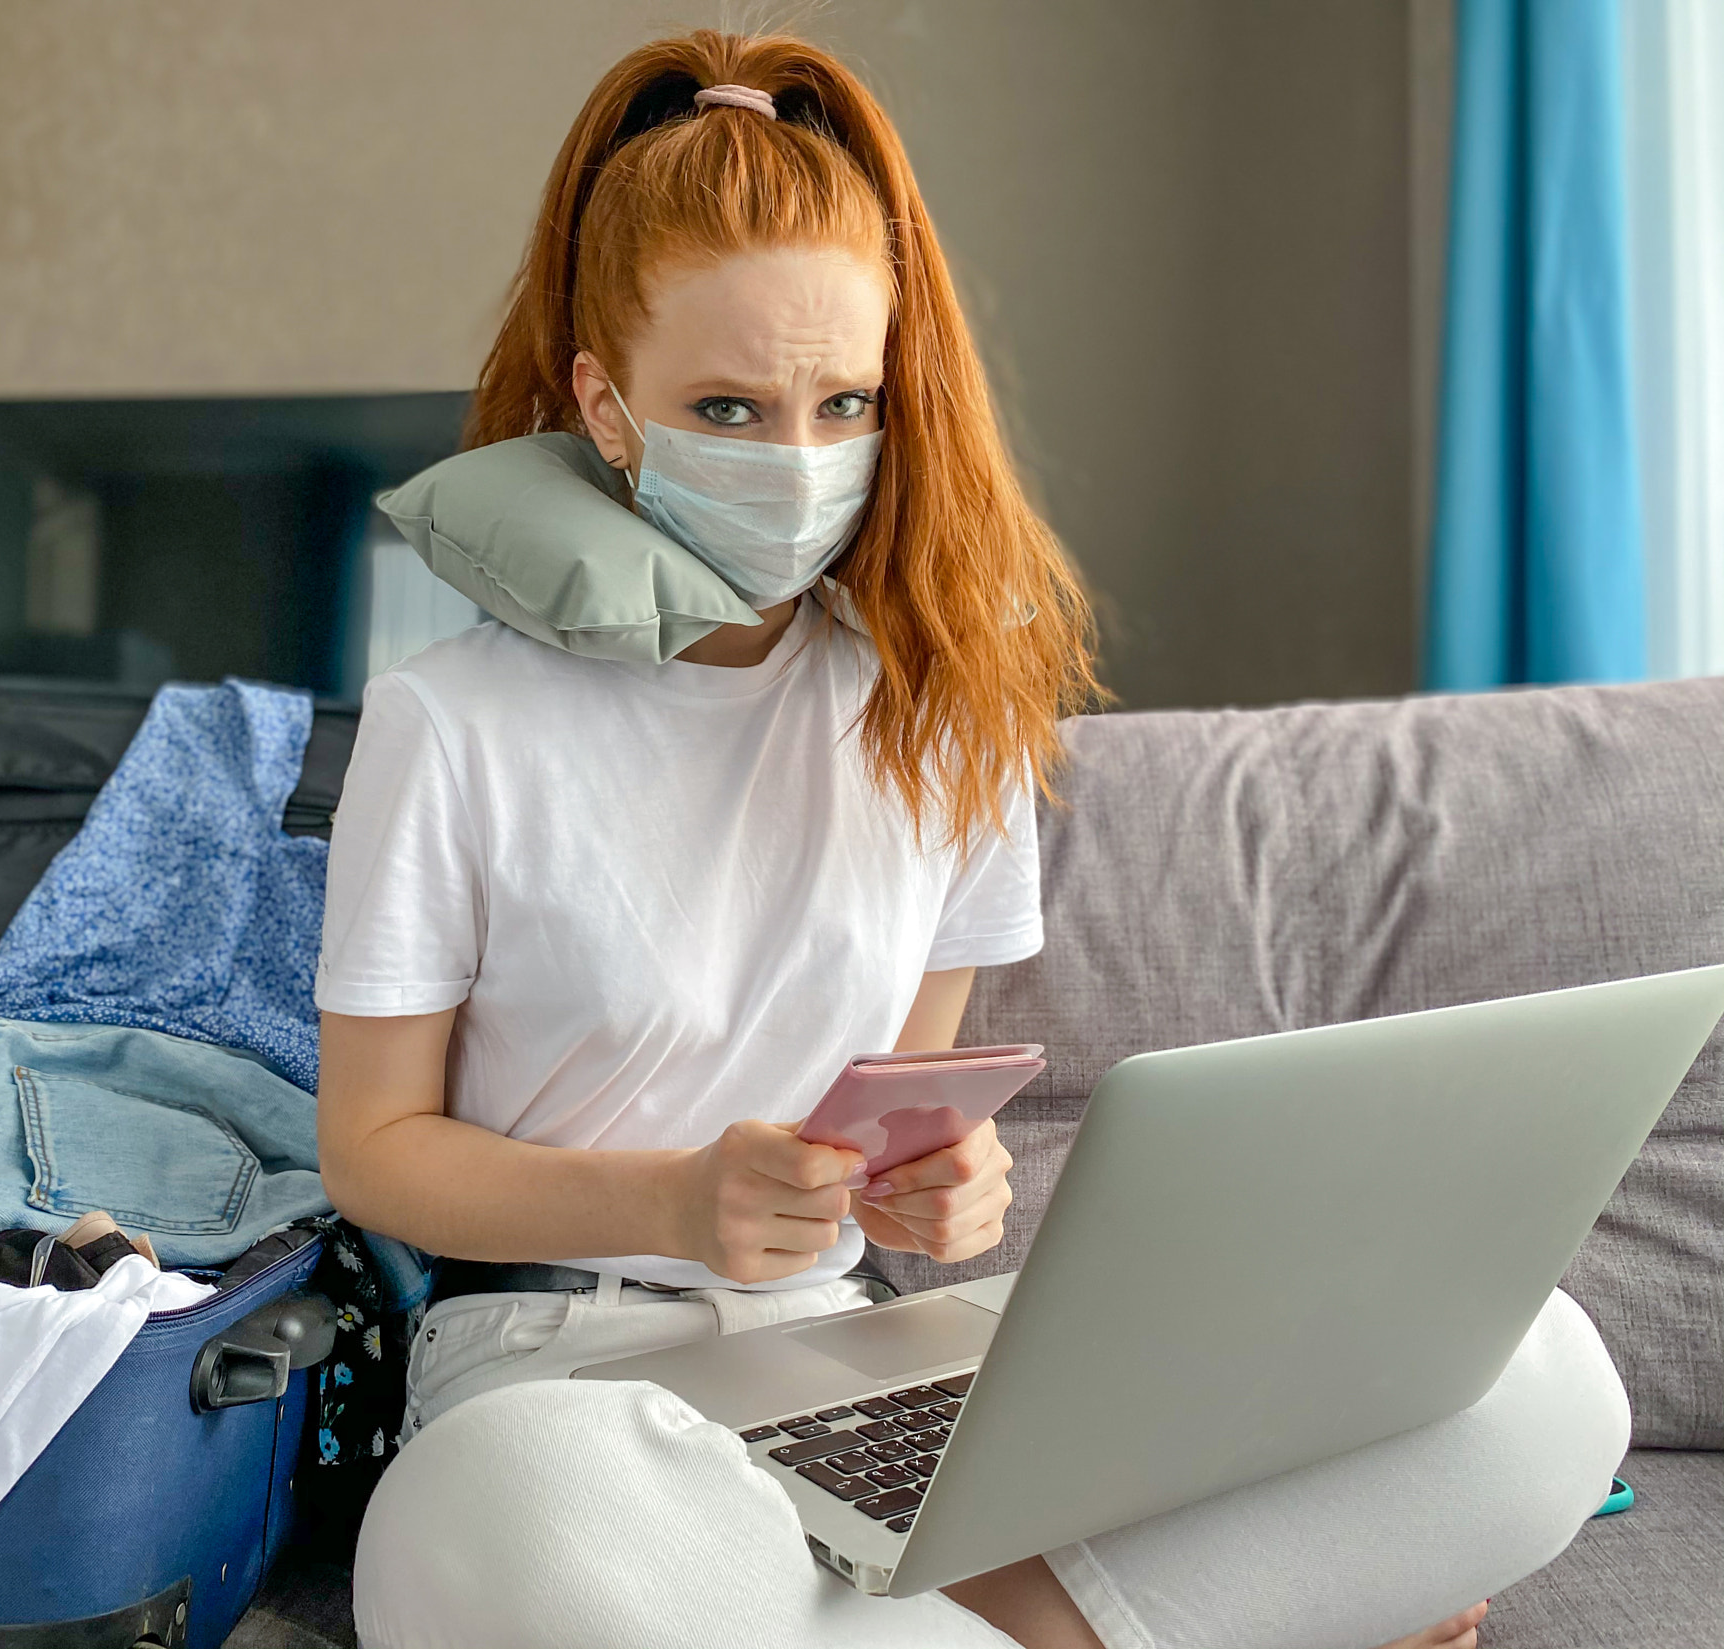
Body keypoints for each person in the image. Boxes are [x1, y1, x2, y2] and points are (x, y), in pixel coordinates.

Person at [314, 29, 1627, 1649]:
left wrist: (936, 1194)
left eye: (842, 401)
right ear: (606, 404)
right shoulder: (454, 725)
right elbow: (374, 1153)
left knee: (1533, 1364)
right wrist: (667, 1202)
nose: (797, 463)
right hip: (564, 1385)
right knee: (504, 1527)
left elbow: (889, 1133)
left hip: (845, 1361)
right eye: (726, 405)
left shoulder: (937, 705)